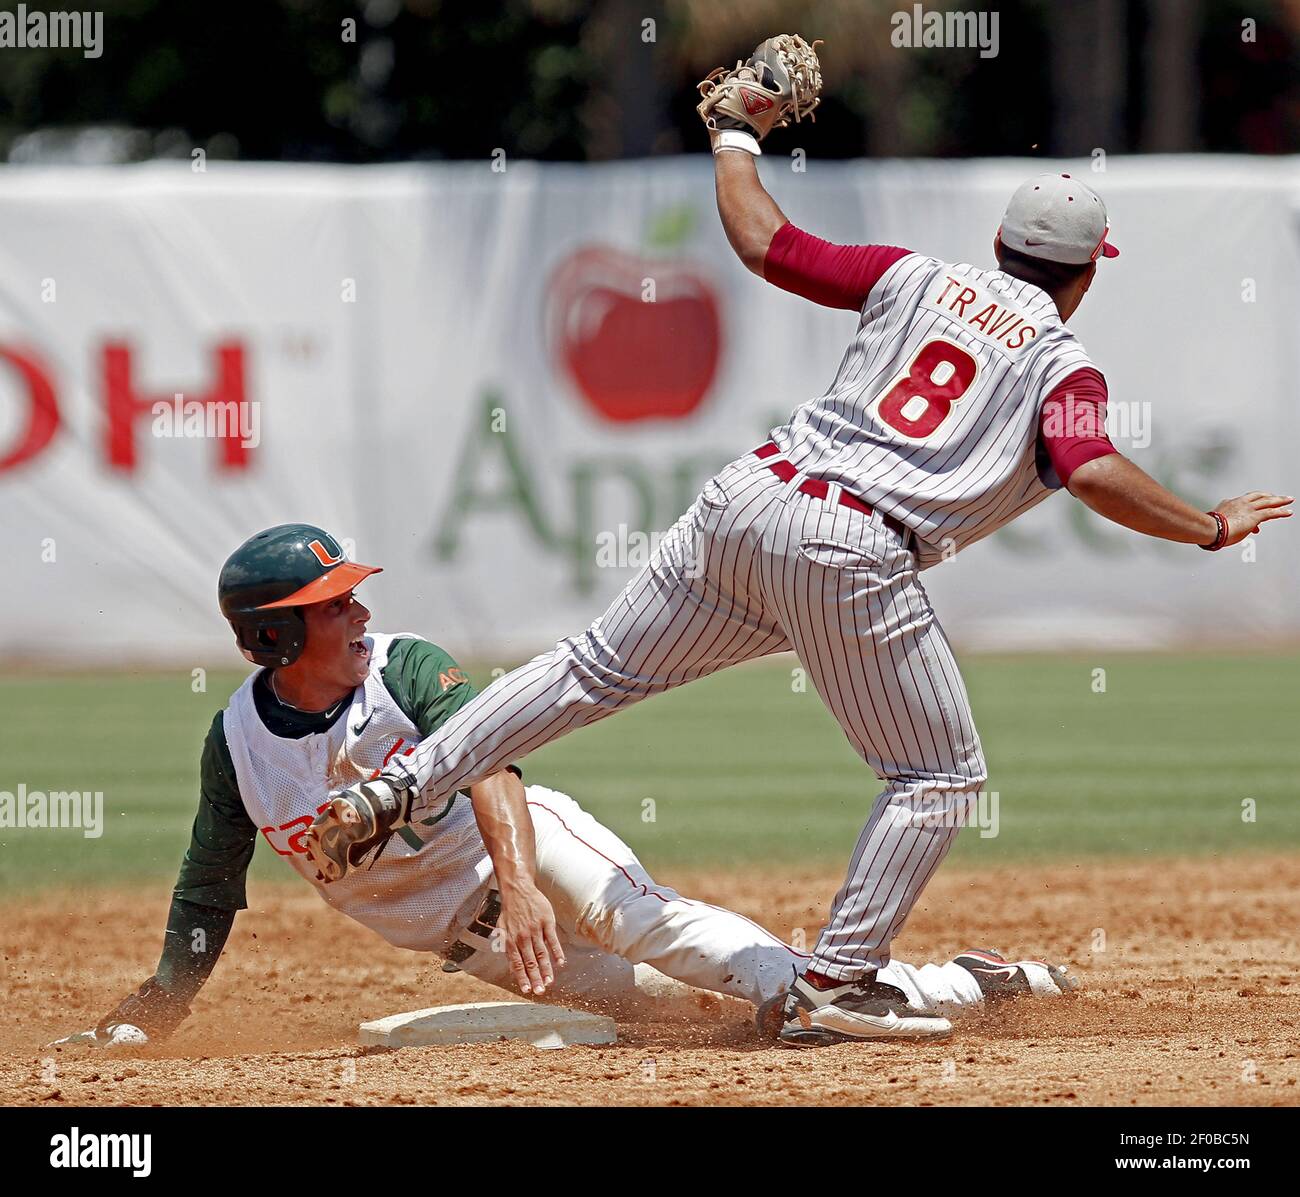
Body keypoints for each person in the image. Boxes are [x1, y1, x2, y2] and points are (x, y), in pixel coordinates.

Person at [305, 91, 1290, 1049]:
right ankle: (832, 980)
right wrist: (1207, 525)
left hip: (747, 498)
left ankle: (396, 788)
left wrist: (735, 136)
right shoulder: (1062, 365)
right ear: (1085, 276)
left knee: (587, 669)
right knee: (939, 776)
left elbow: (763, 242)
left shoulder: (912, 277)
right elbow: (1089, 466)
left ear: (999, 246)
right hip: (849, 547)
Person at [54, 524, 1076, 1051]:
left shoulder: (406, 670)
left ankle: (840, 994)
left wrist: (527, 881)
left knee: (652, 926)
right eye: (331, 605)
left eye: (354, 595)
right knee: (703, 1013)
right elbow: (206, 891)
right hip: (478, 947)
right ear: (275, 635)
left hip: (535, 851)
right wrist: (158, 1009)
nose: (359, 612)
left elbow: (490, 758)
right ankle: (965, 984)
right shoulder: (236, 745)